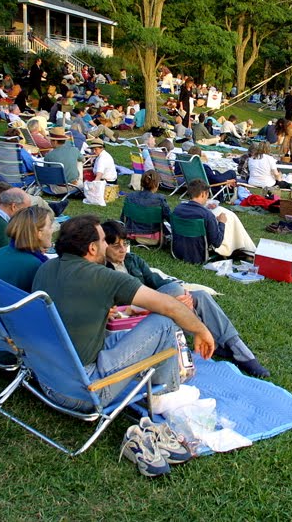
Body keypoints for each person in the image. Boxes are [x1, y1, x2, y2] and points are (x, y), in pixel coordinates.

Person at [30, 214, 215, 412]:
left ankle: (164, 383)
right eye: (103, 240)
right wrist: (200, 330)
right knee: (164, 322)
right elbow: (168, 307)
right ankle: (165, 394)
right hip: (85, 392)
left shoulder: (45, 268)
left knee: (155, 309)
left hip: (46, 377)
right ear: (92, 248)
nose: (105, 245)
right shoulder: (103, 277)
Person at [101, 220, 269, 377]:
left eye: (125, 243)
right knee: (175, 291)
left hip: (159, 303)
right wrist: (174, 295)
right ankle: (212, 341)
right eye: (116, 246)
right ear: (103, 246)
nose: (123, 249)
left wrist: (183, 294)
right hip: (133, 312)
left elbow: (157, 281)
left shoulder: (133, 261)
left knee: (199, 296)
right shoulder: (102, 270)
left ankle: (237, 347)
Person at [172, 179, 255, 263]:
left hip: (178, 251)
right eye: (207, 196)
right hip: (198, 255)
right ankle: (245, 249)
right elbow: (217, 242)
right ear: (203, 194)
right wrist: (222, 222)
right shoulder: (207, 215)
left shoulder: (177, 209)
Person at [0, 205, 54, 290]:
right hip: (9, 303)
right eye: (50, 226)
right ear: (38, 233)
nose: (52, 230)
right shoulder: (35, 265)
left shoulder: (1, 252)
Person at [122, 169, 171, 238]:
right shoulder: (160, 199)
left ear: (142, 182)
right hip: (153, 235)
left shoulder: (130, 196)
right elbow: (169, 218)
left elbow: (123, 218)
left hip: (131, 233)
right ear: (156, 184)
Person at [43, 126, 82, 192]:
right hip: (74, 187)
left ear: (55, 141)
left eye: (50, 140)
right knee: (79, 161)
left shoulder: (49, 155)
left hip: (58, 188)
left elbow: (47, 173)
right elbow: (82, 159)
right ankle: (78, 180)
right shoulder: (74, 150)